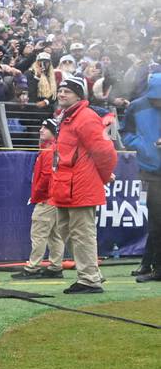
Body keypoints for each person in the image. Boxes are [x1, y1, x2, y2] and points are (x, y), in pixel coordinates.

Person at [51, 75, 118, 294]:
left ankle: (89, 279)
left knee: (81, 234)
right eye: (60, 90)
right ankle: (91, 274)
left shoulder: (85, 117)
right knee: (68, 231)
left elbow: (105, 151)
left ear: (79, 95)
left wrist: (104, 176)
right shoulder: (68, 116)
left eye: (67, 91)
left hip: (80, 185)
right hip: (67, 185)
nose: (61, 94)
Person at [120, 72, 160, 281]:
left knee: (156, 221)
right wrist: (144, 146)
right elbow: (126, 133)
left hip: (150, 171)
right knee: (154, 220)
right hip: (147, 172)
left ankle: (151, 265)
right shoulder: (136, 106)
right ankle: (151, 266)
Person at [14, 119, 66, 280]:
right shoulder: (52, 149)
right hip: (54, 198)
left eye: (46, 128)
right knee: (54, 234)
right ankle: (55, 266)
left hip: (47, 199)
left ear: (54, 131)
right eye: (41, 126)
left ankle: (33, 267)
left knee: (39, 233)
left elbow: (46, 177)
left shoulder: (49, 151)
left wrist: (38, 195)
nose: (41, 130)